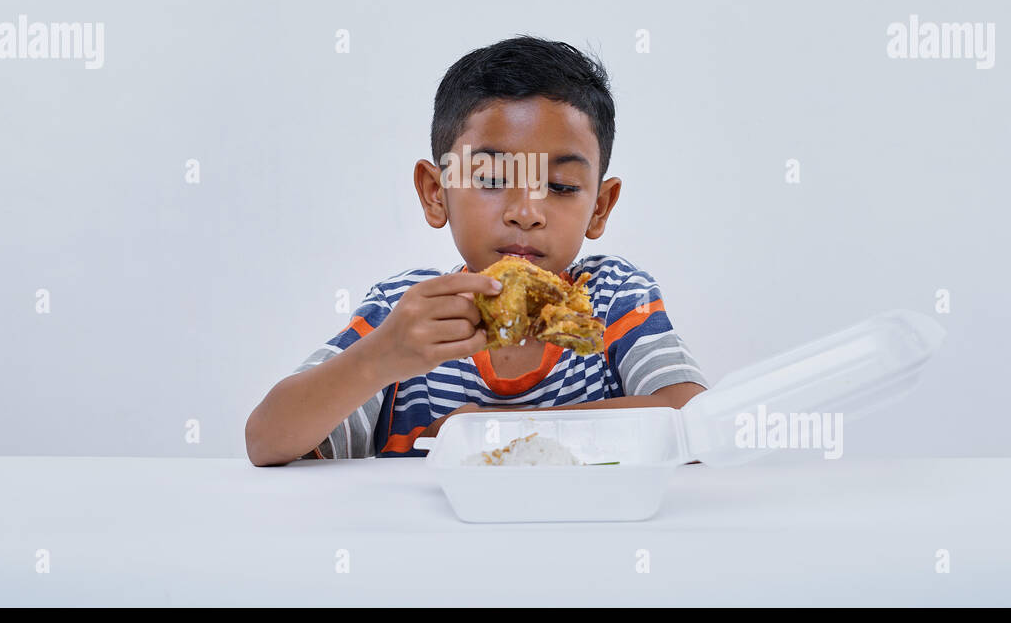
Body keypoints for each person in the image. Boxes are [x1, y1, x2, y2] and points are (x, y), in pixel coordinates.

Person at [245, 36, 710, 465]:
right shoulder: (405, 315)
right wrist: (380, 357)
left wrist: (493, 433)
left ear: (599, 208)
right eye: (490, 179)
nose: (526, 211)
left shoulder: (612, 300)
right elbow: (268, 441)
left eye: (561, 186)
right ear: (435, 192)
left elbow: (693, 420)